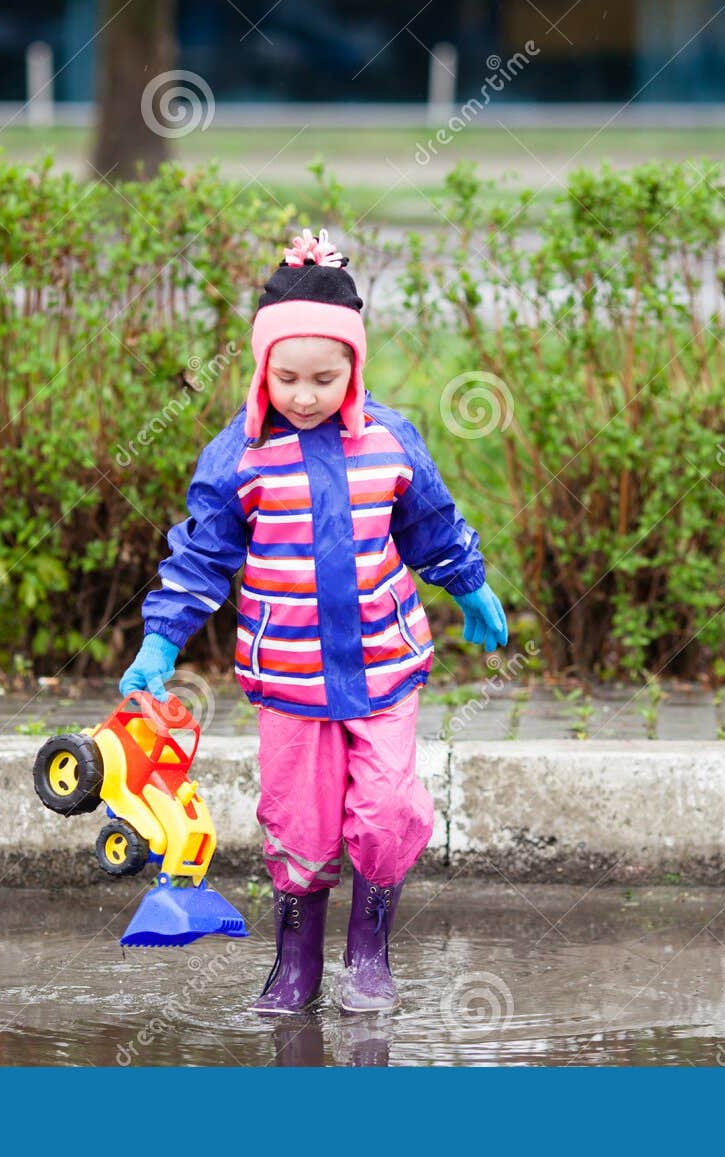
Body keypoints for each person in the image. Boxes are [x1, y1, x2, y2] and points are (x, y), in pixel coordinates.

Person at [119, 228, 509, 1014]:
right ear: (263, 370)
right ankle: (295, 963)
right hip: (290, 678)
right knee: (299, 822)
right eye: (287, 377)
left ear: (354, 368)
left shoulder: (390, 441)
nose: (304, 395)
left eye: (324, 378)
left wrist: (469, 586)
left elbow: (430, 523)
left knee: (389, 809)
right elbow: (199, 557)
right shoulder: (241, 455)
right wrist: (161, 638)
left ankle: (369, 954)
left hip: (383, 666)